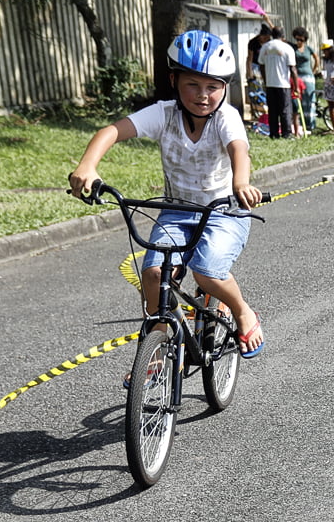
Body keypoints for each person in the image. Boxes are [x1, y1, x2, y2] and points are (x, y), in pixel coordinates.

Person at [68, 29, 266, 361]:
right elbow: (112, 131)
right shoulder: (164, 114)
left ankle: (242, 310)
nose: (203, 95)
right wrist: (87, 166)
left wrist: (241, 183)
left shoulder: (226, 117)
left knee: (207, 271)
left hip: (223, 212)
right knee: (153, 274)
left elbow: (239, 150)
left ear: (224, 88)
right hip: (175, 212)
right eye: (193, 84)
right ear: (174, 80)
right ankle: (157, 348)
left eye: (213, 87)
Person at [257, 26, 294, 139]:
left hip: (270, 83)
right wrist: (296, 86)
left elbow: (261, 65)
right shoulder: (287, 48)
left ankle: (274, 133)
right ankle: (286, 133)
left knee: (272, 110)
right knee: (285, 110)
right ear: (283, 35)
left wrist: (265, 79)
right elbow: (293, 69)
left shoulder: (265, 47)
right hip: (283, 84)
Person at [290, 27, 316, 135]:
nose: (299, 42)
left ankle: (310, 124)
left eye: (301, 40)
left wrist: (314, 70)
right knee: (298, 101)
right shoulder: (293, 48)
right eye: (297, 39)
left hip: (308, 76)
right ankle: (300, 125)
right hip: (297, 77)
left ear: (305, 39)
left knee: (309, 100)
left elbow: (316, 58)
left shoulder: (308, 49)